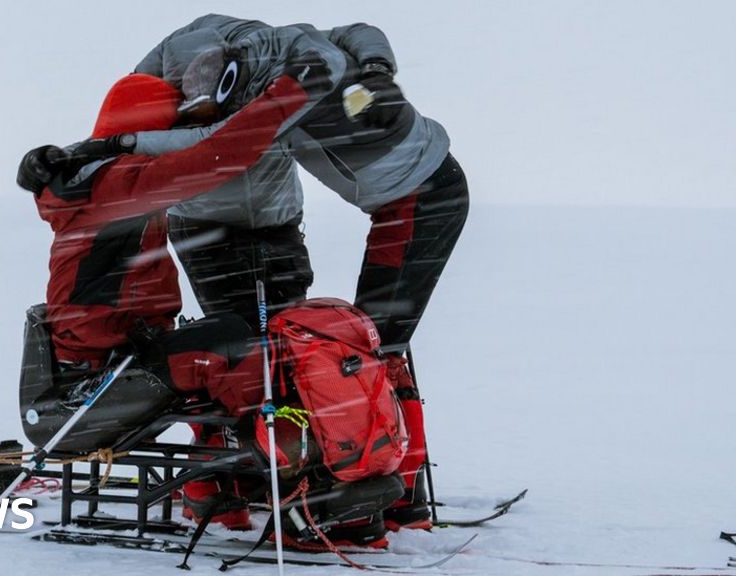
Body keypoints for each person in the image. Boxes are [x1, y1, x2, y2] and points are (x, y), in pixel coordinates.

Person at [38, 14, 468, 532]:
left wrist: (373, 68)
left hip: (291, 223)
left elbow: (231, 140)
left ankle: (362, 482)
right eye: (181, 114)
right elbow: (217, 151)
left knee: (339, 354)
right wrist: (110, 147)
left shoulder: (286, 68)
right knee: (264, 365)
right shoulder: (125, 174)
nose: (194, 119)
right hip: (202, 241)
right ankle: (252, 486)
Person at [16, 59, 327, 532]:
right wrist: (288, 94)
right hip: (96, 381)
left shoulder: (95, 172)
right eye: (174, 126)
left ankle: (218, 489)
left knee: (216, 345)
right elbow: (219, 156)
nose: (182, 134)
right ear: (149, 129)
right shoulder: (121, 181)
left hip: (119, 353)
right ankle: (288, 484)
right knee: (234, 355)